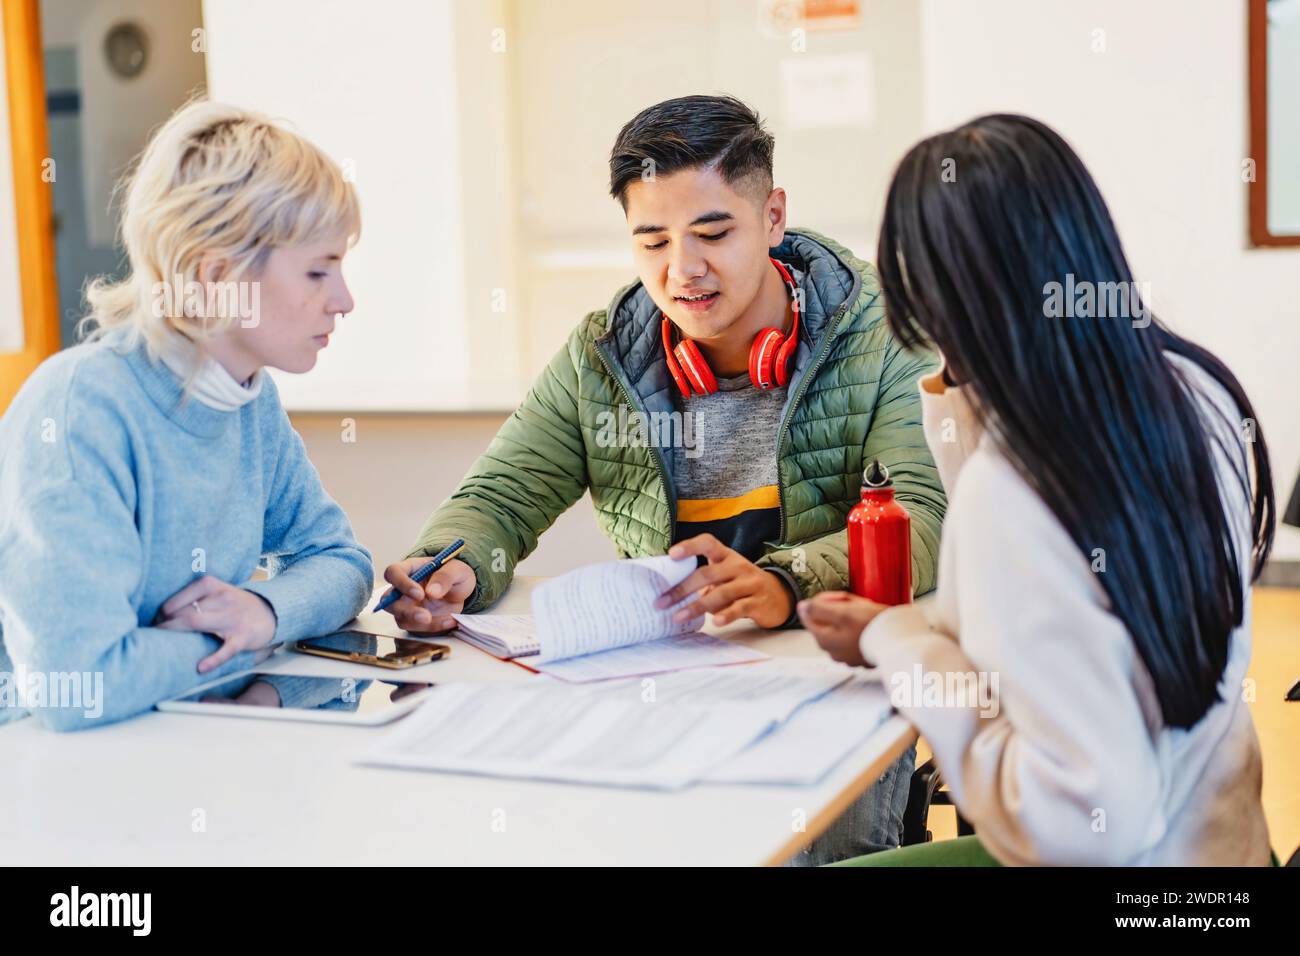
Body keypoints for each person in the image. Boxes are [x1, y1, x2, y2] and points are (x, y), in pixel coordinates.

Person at [381, 94, 946, 863]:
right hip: (674, 685)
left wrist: (786, 582)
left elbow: (923, 515)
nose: (683, 271)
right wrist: (453, 565)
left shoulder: (884, 335)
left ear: (773, 216)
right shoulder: (604, 355)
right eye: (652, 242)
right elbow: (498, 499)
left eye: (714, 233)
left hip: (836, 676)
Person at [802, 113, 1276, 866]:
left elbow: (1082, 825)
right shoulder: (1191, 387)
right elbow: (1021, 600)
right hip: (1224, 845)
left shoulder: (1015, 491)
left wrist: (892, 639)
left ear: (935, 303)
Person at [0, 99, 373, 730]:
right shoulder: (81, 409)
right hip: (43, 767)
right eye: (317, 271)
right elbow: (77, 684)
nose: (344, 300)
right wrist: (244, 646)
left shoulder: (246, 397)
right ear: (217, 274)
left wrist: (265, 610)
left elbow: (341, 561)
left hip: (169, 737)